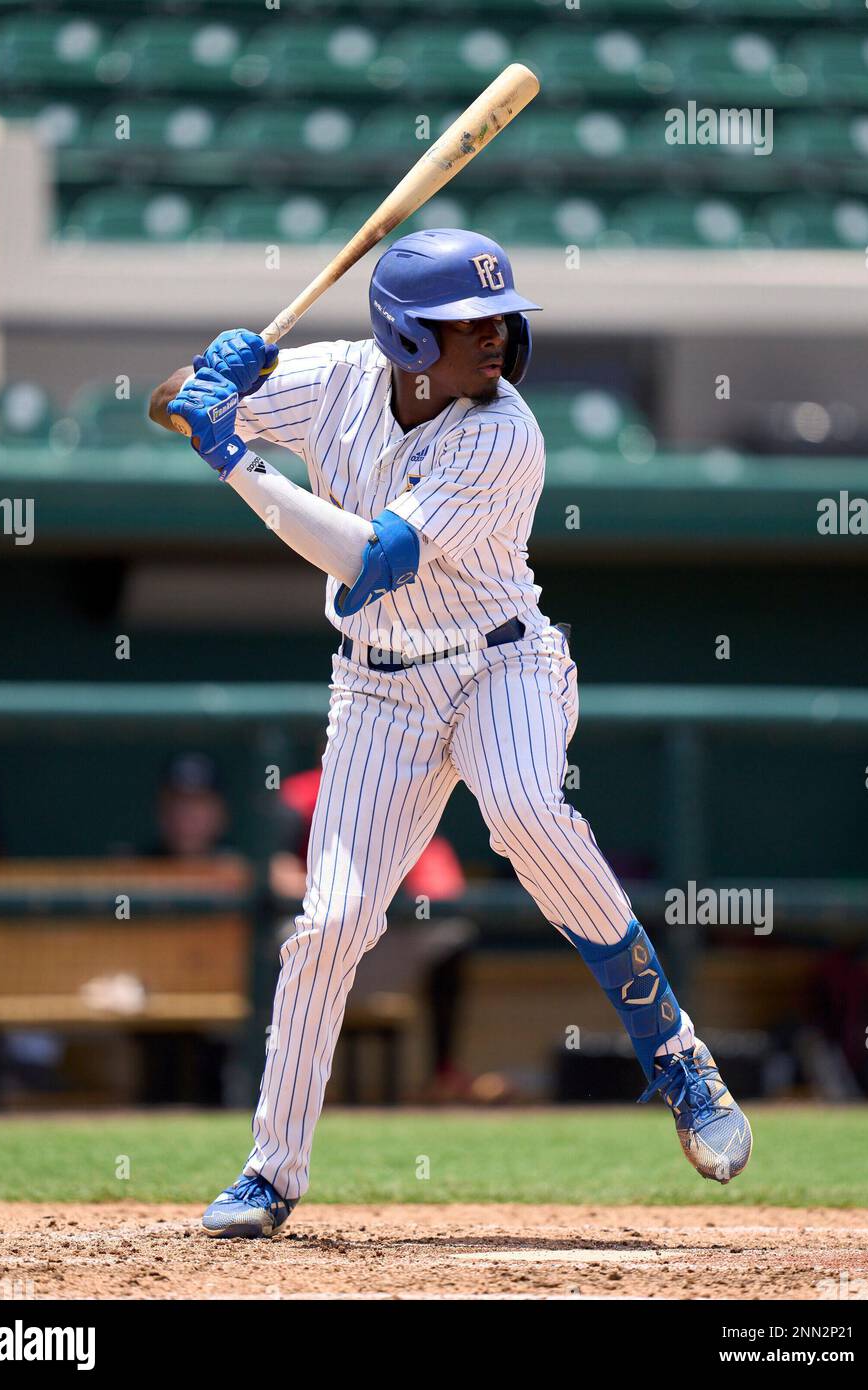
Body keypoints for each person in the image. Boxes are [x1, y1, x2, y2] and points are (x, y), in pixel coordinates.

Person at [149, 228, 752, 1239]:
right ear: (405, 337)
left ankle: (677, 1054)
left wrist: (236, 460)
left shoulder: (505, 433)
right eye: (464, 323)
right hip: (379, 692)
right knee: (330, 923)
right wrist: (203, 378)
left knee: (522, 809)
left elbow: (366, 559)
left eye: (500, 318)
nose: (495, 337)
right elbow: (170, 400)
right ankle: (270, 1169)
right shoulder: (335, 378)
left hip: (498, 661)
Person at [271, 762, 477, 1100]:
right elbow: (276, 874)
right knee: (282, 937)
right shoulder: (304, 792)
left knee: (450, 936)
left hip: (386, 946)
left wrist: (378, 891)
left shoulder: (409, 789)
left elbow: (444, 888)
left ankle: (442, 1074)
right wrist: (338, 892)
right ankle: (284, 1078)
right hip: (323, 942)